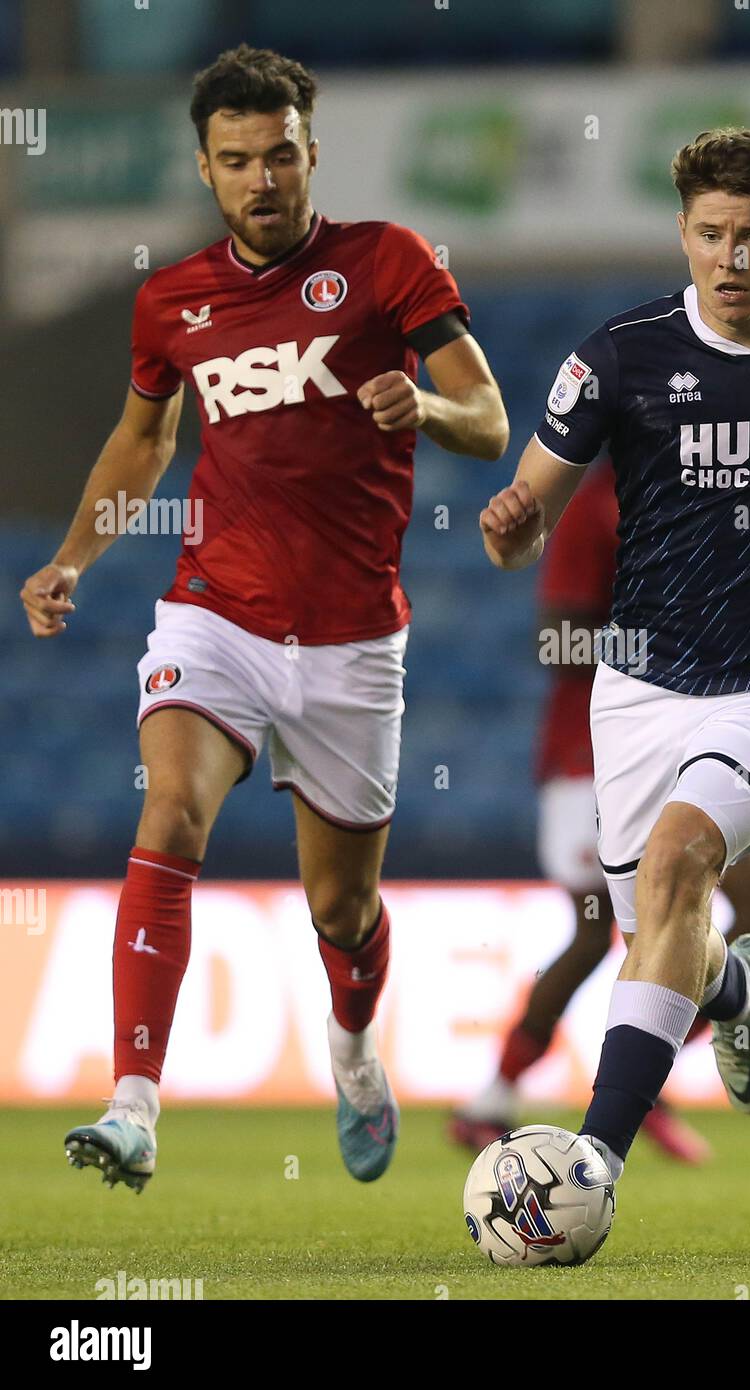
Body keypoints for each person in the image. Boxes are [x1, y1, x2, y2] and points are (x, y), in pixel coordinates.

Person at [18, 46, 508, 1192]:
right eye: (236, 160)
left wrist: (424, 405)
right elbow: (144, 444)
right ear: (205, 169)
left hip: (349, 641)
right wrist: (73, 558)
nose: (261, 178)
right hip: (214, 616)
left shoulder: (386, 261)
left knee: (341, 909)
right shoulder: (171, 299)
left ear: (311, 153)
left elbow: (490, 420)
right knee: (172, 811)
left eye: (279, 154)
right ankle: (134, 1103)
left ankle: (351, 1049)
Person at [479, 126, 750, 1212]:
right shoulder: (621, 355)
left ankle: (588, 1167)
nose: (731, 260)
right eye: (711, 235)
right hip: (638, 686)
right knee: (660, 945)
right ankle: (737, 983)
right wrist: (511, 524)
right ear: (681, 232)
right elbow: (532, 492)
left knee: (682, 863)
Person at [452, 459, 750, 1162]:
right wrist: (672, 646)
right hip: (595, 755)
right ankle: (495, 1094)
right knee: (604, 931)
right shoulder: (596, 503)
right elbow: (556, 639)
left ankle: (641, 1082)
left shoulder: (713, 487)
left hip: (709, 730)